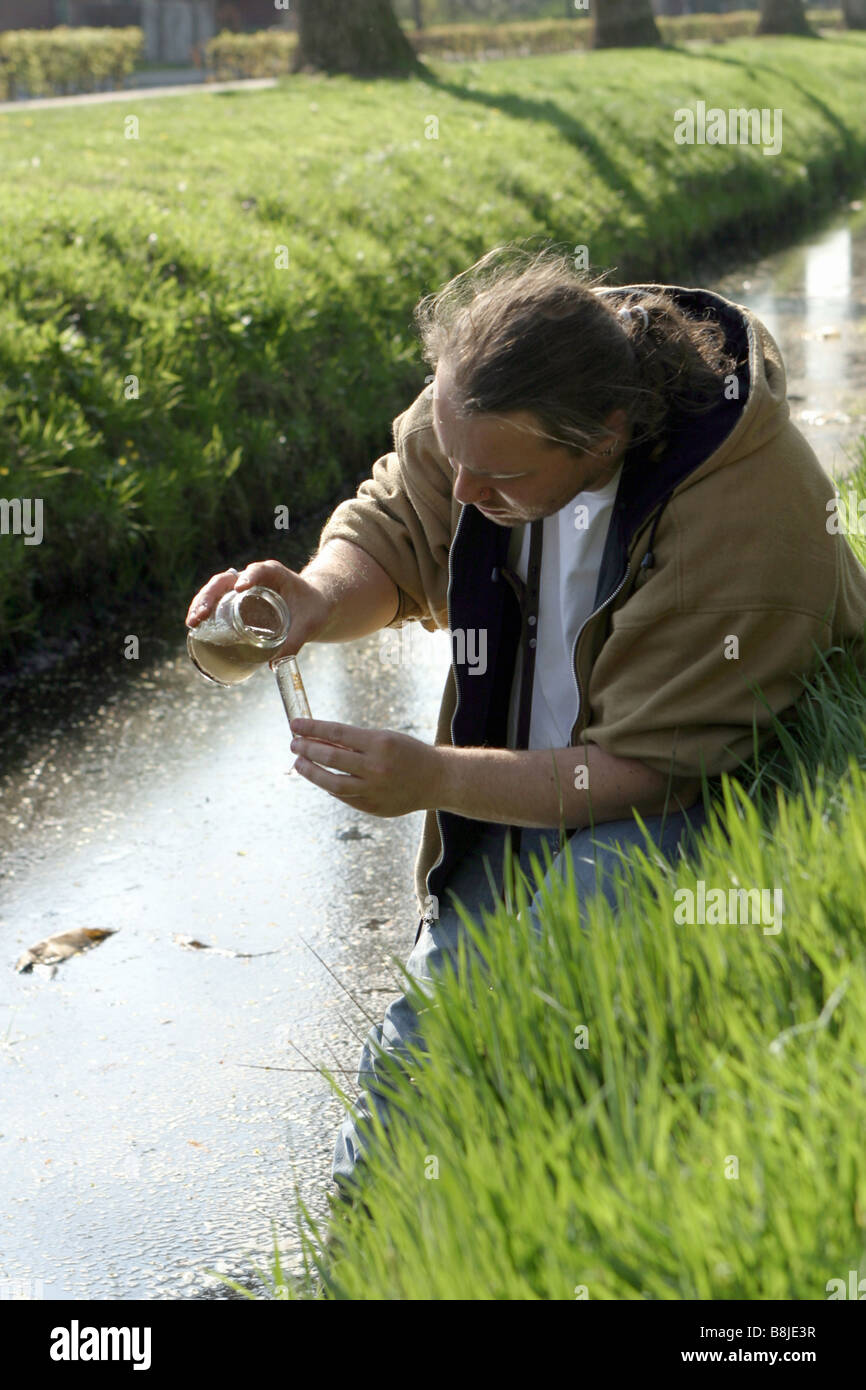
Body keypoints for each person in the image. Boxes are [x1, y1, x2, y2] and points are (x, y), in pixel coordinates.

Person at [186, 245, 866, 1207]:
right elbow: (397, 532)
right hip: (524, 786)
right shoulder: (481, 416)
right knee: (419, 1063)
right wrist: (309, 599)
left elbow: (642, 767)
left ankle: (573, 1211)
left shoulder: (749, 506)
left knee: (561, 977)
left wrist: (433, 779)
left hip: (688, 795)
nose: (465, 494)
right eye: (454, 458)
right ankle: (364, 1247)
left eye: (497, 478)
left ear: (608, 434)